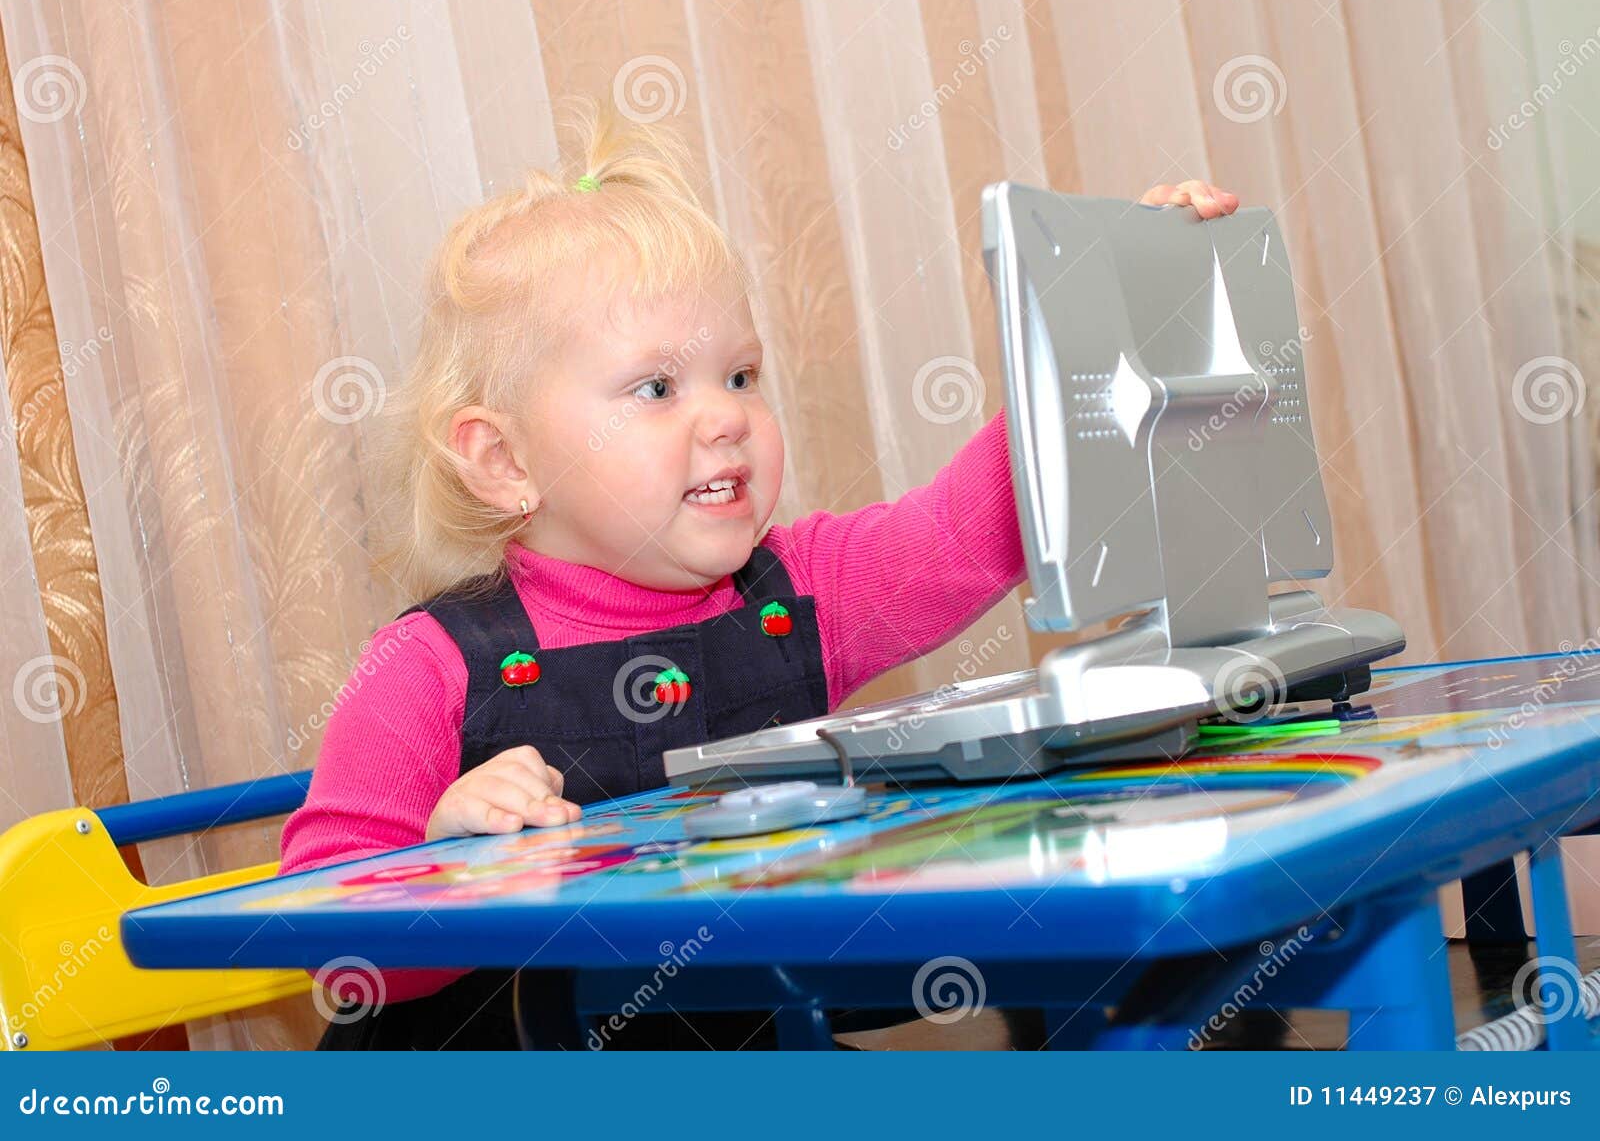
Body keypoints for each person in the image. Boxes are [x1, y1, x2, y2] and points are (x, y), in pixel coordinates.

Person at [278, 94, 1239, 1049]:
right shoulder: (426, 664)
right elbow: (330, 949)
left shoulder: (803, 590)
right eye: (657, 387)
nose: (727, 416)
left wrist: (1101, 322)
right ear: (503, 461)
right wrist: (447, 864)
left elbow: (969, 528)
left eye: (740, 375)